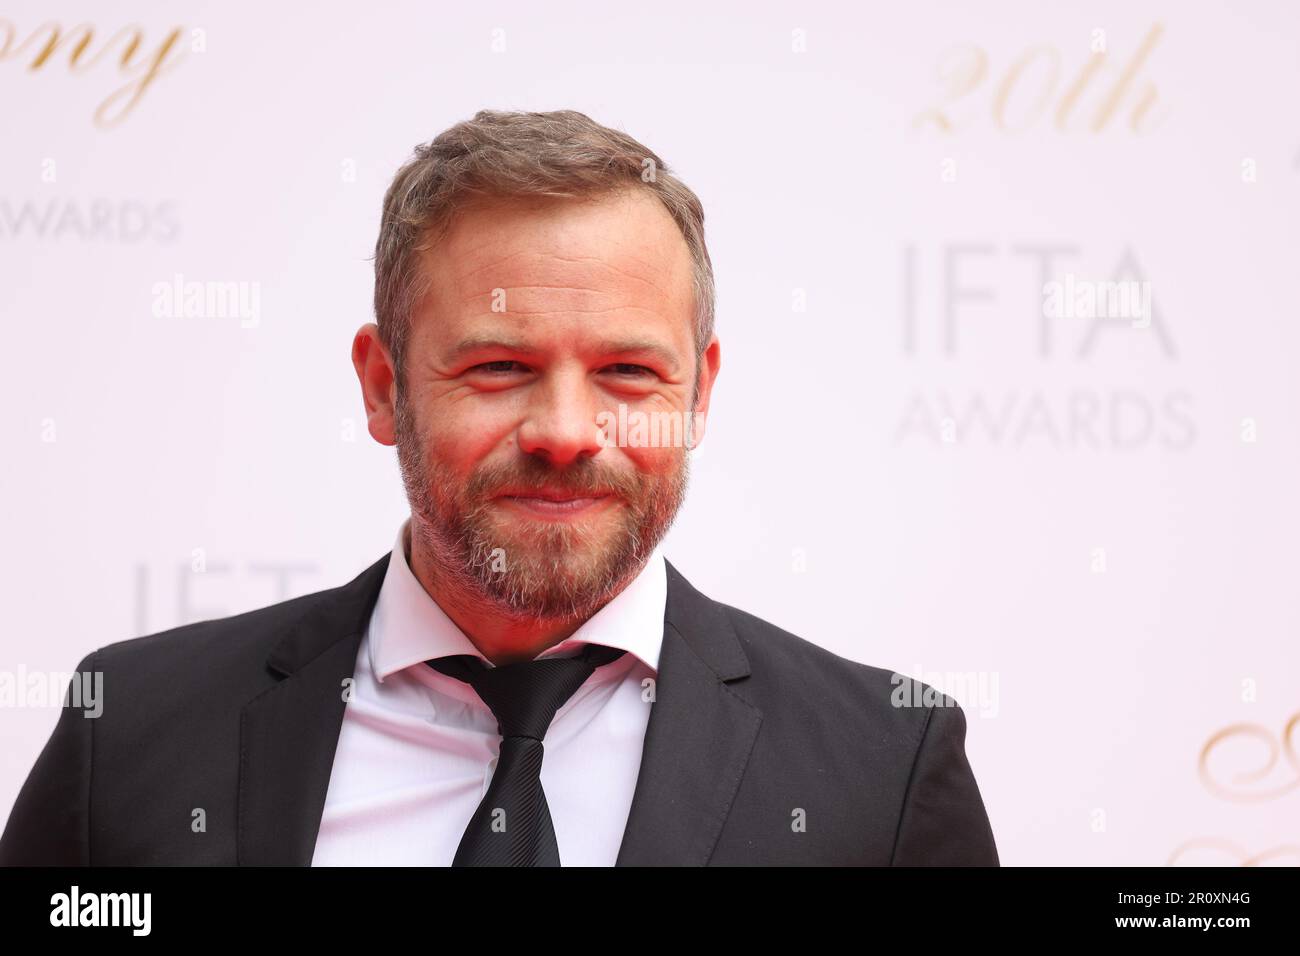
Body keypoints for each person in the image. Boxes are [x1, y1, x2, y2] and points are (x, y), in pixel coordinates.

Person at [0, 109, 998, 866]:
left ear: (698, 393)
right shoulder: (126, 733)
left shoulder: (883, 772)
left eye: (627, 371)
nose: (565, 433)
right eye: (498, 368)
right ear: (383, 385)